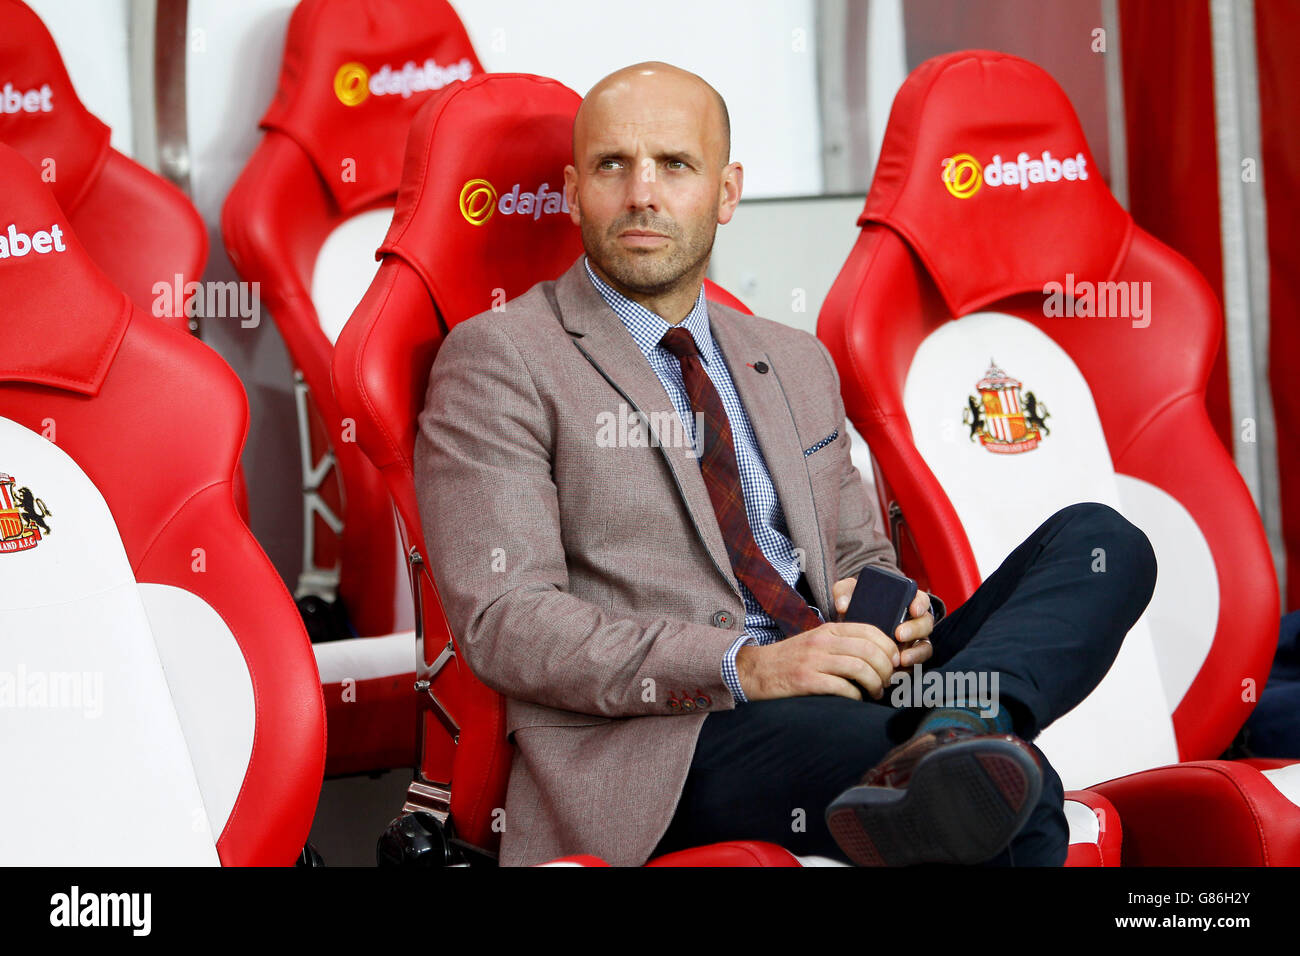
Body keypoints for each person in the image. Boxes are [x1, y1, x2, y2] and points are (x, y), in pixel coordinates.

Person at [414, 61, 1157, 866]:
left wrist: (893, 611)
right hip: (670, 740)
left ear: (727, 192)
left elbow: (863, 557)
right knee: (1016, 797)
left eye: (674, 165)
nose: (641, 194)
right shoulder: (501, 358)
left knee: (1102, 540)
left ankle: (958, 724)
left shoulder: (795, 361)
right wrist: (749, 667)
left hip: (845, 685)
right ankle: (949, 745)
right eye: (611, 165)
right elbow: (506, 623)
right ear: (572, 190)